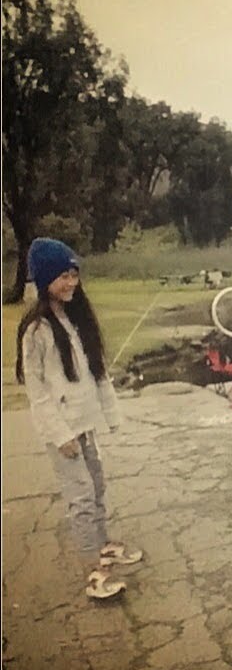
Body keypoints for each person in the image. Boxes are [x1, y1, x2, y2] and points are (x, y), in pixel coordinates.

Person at [15, 238, 143, 599]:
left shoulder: (75, 318)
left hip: (84, 425)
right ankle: (93, 570)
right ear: (44, 280)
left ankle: (101, 545)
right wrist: (60, 435)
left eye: (74, 274)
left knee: (97, 485)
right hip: (63, 432)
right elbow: (38, 393)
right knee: (82, 496)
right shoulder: (36, 330)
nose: (71, 282)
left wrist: (110, 416)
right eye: (62, 276)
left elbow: (96, 374)